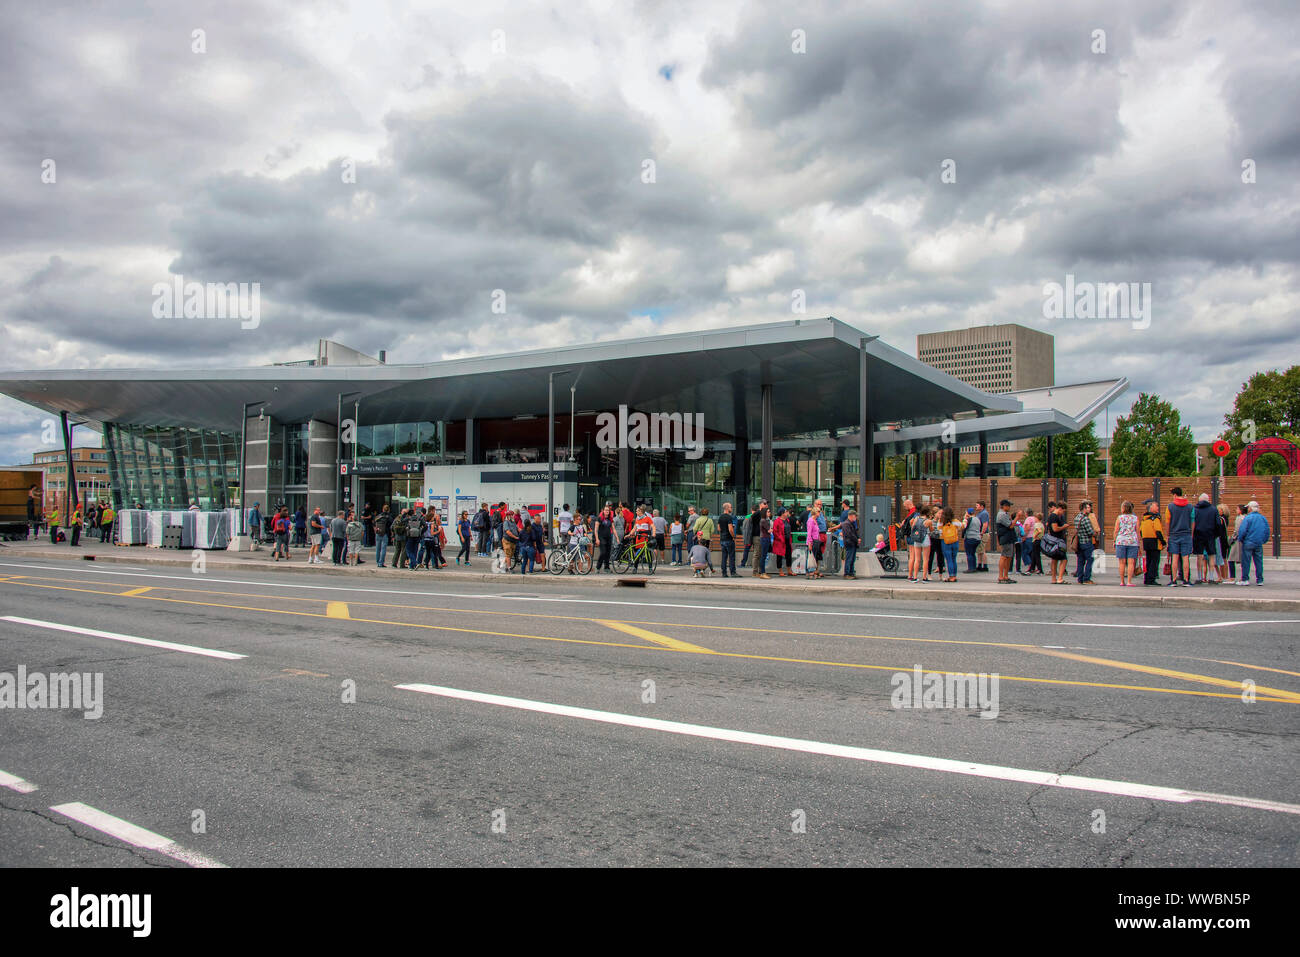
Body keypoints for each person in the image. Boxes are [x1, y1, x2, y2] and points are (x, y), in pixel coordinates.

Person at [1163, 488, 1194, 586]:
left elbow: (1168, 522)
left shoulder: (1170, 507)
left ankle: (1174, 580)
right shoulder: (1190, 507)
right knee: (1185, 557)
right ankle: (1186, 579)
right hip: (1186, 534)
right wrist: (1191, 534)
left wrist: (1168, 534)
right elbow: (1193, 521)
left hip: (1174, 534)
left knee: (1175, 557)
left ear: (1175, 495)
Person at [1236, 501, 1270, 585]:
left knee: (1246, 562)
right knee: (1258, 562)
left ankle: (1245, 579)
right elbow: (1267, 531)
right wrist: (1263, 540)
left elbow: (1242, 530)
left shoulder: (1247, 518)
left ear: (1250, 508)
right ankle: (1260, 580)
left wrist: (1241, 539)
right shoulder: (1263, 518)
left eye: (1248, 508)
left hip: (1248, 542)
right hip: (1258, 543)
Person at [1191, 493, 1220, 584]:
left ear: (1199, 500)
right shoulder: (1213, 509)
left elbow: (1192, 522)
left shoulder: (1195, 509)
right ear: (1208, 500)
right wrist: (1215, 534)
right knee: (1211, 555)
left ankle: (1199, 577)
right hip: (1210, 534)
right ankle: (1211, 577)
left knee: (1199, 556)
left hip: (1198, 535)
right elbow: (1218, 524)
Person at [1113, 500, 1140, 586]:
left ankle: (1122, 581)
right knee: (1131, 562)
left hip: (1121, 541)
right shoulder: (1135, 518)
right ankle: (1129, 581)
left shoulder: (1120, 518)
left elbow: (1116, 530)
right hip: (1132, 542)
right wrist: (1139, 543)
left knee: (1122, 562)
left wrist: (1114, 540)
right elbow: (1138, 531)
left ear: (1123, 508)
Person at [1139, 500, 1165, 586]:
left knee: (1148, 560)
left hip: (1146, 541)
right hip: (1154, 541)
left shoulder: (1144, 519)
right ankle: (1151, 578)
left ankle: (1147, 578)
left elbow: (1141, 531)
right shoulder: (1155, 519)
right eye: (1156, 506)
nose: (1158, 507)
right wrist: (1163, 542)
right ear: (1151, 508)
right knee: (1154, 561)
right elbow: (1158, 531)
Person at [1073, 501, 1098, 584]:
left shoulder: (1077, 517)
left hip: (1079, 542)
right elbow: (1090, 532)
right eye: (1088, 507)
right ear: (1084, 509)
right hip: (1086, 542)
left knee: (1080, 561)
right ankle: (1087, 578)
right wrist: (1095, 533)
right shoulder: (1086, 519)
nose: (1089, 509)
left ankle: (1080, 579)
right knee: (1090, 559)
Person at [1047, 502, 1071, 584]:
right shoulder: (1054, 516)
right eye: (1063, 511)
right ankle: (1059, 578)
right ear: (1060, 508)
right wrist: (1064, 527)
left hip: (1055, 540)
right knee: (1064, 559)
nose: (1063, 513)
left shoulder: (1055, 516)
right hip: (1057, 541)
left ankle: (1054, 579)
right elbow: (1055, 529)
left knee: (1054, 559)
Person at [994, 500, 1017, 584]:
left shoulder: (1005, 514)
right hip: (1005, 538)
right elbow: (1010, 526)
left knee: (1009, 557)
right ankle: (1001, 576)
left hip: (1008, 538)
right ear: (1004, 506)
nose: (1009, 507)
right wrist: (1017, 517)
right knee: (1004, 556)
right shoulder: (1002, 515)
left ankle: (1005, 576)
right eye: (1008, 506)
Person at [939, 507, 961, 582]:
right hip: (955, 541)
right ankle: (954, 575)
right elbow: (962, 526)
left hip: (945, 541)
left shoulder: (941, 522)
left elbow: (939, 531)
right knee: (953, 559)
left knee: (949, 559)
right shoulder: (955, 521)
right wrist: (965, 519)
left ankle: (951, 576)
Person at [692, 507, 716, 574]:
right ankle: (703, 568)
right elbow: (712, 530)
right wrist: (709, 534)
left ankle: (697, 569)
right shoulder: (710, 520)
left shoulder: (698, 520)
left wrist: (696, 533)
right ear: (707, 513)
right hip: (707, 539)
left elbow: (694, 528)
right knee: (705, 554)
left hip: (699, 538)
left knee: (698, 553)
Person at [1227, 504, 1246, 579]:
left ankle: (1232, 577)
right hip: (1242, 540)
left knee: (1231, 558)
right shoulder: (1246, 517)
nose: (1236, 510)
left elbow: (1237, 530)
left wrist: (1232, 538)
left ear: (1240, 510)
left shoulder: (1239, 518)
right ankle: (1243, 577)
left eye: (1237, 509)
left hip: (1237, 541)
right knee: (1242, 560)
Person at [717, 503, 737, 578]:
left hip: (722, 539)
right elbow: (730, 529)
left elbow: (718, 528)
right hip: (729, 539)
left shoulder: (720, 517)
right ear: (727, 508)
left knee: (724, 556)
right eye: (731, 507)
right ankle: (733, 572)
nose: (731, 508)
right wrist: (733, 536)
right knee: (731, 556)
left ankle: (724, 572)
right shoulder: (729, 517)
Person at [842, 508, 861, 579]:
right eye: (855, 516)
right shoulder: (846, 524)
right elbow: (850, 534)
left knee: (852, 559)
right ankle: (847, 573)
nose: (856, 518)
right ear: (851, 516)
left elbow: (854, 533)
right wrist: (856, 539)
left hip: (852, 543)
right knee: (849, 558)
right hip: (849, 543)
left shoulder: (851, 523)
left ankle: (851, 572)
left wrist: (857, 539)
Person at [962, 506, 981, 573]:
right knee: (973, 553)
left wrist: (965, 518)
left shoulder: (969, 520)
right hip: (977, 538)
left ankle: (970, 568)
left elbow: (964, 527)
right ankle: (974, 567)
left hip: (970, 537)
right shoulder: (977, 519)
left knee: (969, 553)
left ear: (968, 513)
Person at [770, 507, 787, 577]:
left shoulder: (787, 520)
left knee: (786, 555)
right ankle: (780, 570)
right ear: (782, 513)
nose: (787, 513)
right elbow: (775, 531)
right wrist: (780, 538)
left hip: (786, 540)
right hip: (779, 541)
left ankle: (785, 570)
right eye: (786, 512)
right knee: (779, 556)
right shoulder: (777, 521)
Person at [975, 500, 991, 572]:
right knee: (980, 550)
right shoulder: (980, 513)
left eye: (977, 505)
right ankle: (979, 564)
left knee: (982, 549)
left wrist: (982, 533)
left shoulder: (984, 513)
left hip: (983, 533)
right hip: (981, 533)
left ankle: (984, 565)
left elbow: (985, 524)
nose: (976, 507)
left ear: (982, 506)